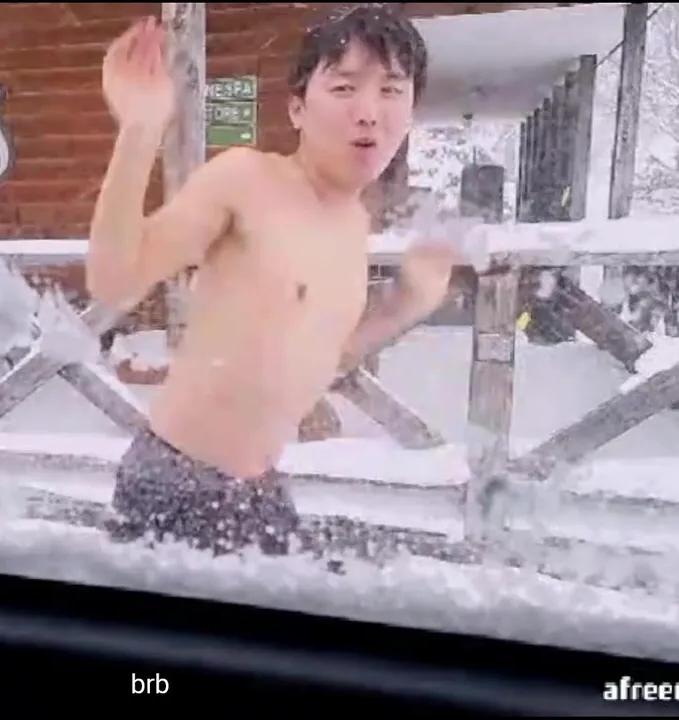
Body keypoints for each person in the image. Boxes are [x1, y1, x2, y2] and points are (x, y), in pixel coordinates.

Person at [87, 5, 458, 557]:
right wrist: (140, 130)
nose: (368, 113)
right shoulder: (247, 179)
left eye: (391, 90)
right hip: (178, 482)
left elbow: (316, 360)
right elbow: (113, 281)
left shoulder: (354, 225)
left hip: (259, 491)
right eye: (344, 88)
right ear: (297, 109)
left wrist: (405, 304)